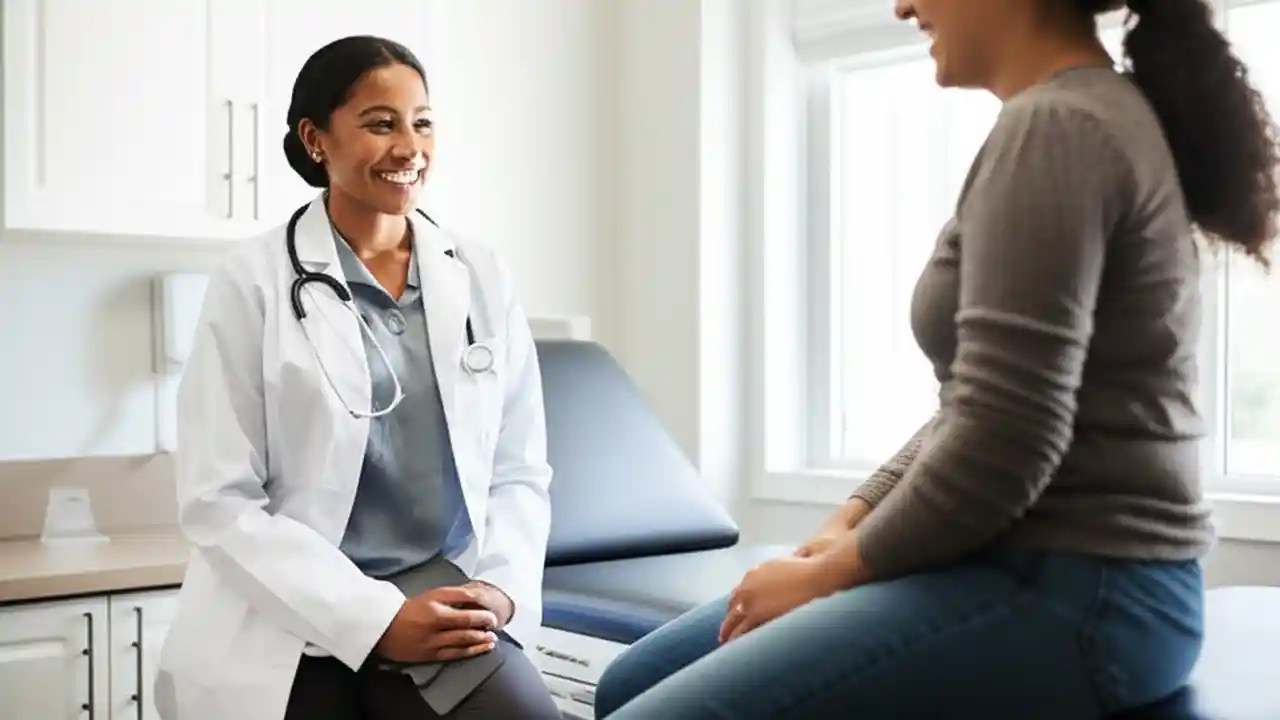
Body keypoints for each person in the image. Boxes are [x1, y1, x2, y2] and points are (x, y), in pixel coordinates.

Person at [595, 0, 1280, 717]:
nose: (903, 5)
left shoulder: (1063, 128)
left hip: (1085, 591)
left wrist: (833, 575)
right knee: (625, 685)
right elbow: (982, 405)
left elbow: (1006, 436)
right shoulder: (1070, 119)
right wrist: (849, 522)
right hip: (1036, 564)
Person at [154, 36, 559, 720]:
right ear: (317, 140)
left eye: (422, 122)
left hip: (443, 597)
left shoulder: (480, 274)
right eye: (381, 123)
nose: (410, 147)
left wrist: (501, 590)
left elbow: (518, 472)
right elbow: (218, 499)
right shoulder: (253, 281)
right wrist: (373, 619)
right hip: (290, 609)